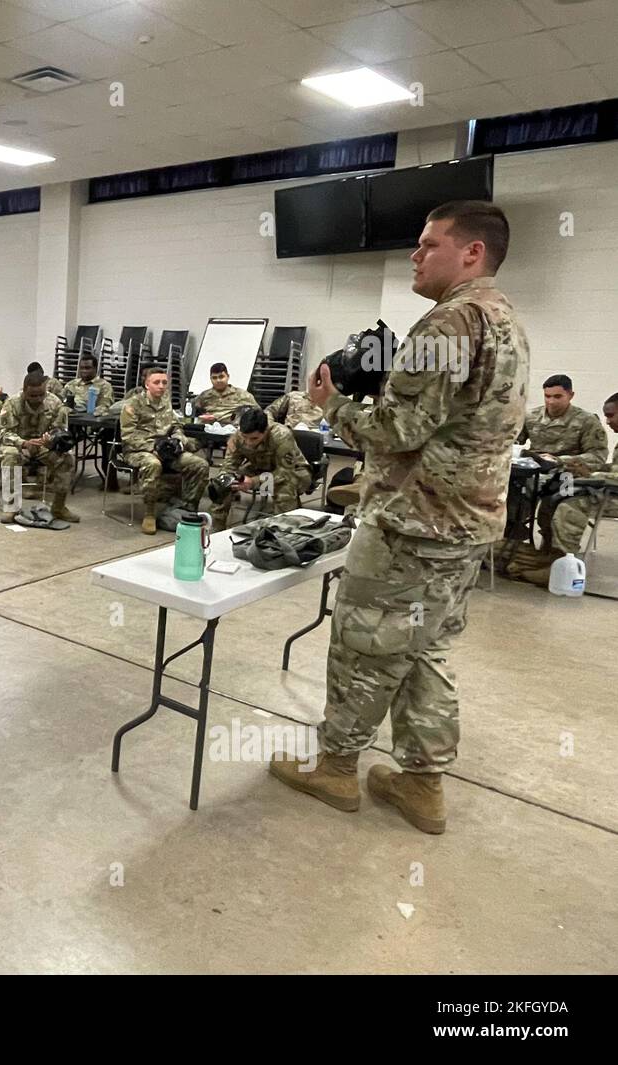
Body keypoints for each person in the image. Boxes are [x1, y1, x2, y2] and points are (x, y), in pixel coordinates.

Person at [270, 200, 528, 836]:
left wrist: (328, 404)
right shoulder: (506, 322)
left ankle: (335, 768)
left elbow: (397, 431)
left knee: (365, 646)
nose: (415, 256)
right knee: (427, 651)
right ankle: (422, 782)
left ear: (472, 252)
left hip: (414, 527)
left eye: (428, 244)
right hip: (468, 527)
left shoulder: (447, 324)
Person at [519, 391, 618, 583]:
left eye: (611, 415)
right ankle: (548, 552)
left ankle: (563, 561)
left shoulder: (585, 420)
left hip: (611, 494)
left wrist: (593, 475)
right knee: (554, 495)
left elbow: (602, 461)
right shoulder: (533, 416)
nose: (607, 421)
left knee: (570, 504)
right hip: (600, 485)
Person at [514, 374, 609, 554]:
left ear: (571, 395)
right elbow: (513, 443)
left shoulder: (586, 421)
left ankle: (553, 549)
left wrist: (560, 460)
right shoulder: (531, 416)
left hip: (568, 473)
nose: (551, 402)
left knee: (559, 499)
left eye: (558, 397)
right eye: (547, 396)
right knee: (512, 492)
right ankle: (510, 544)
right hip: (536, 471)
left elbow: (598, 456)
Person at [119, 365, 209, 535]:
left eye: (164, 382)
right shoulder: (133, 405)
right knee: (153, 464)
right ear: (147, 385)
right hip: (139, 450)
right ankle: (150, 513)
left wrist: (178, 440)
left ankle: (187, 508)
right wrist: (152, 448)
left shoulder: (165, 401)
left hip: (166, 449)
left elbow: (175, 425)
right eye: (156, 382)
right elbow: (128, 437)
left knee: (199, 464)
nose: (161, 386)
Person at [0, 370, 79, 524]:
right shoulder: (12, 403)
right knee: (9, 455)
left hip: (43, 446)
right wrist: (23, 443)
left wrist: (52, 440)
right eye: (33, 396)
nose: (38, 399)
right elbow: (4, 432)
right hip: (19, 444)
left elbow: (60, 430)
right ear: (24, 391)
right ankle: (11, 507)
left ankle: (59, 507)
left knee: (67, 458)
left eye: (41, 394)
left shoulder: (55, 403)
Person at [208, 407, 311, 529]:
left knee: (283, 489)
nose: (248, 442)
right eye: (245, 437)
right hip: (259, 468)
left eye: (254, 438)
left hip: (293, 471)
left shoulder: (281, 435)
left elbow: (285, 472)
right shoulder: (238, 437)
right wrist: (226, 479)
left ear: (266, 430)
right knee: (223, 484)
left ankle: (286, 530)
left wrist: (253, 482)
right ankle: (216, 531)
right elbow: (229, 465)